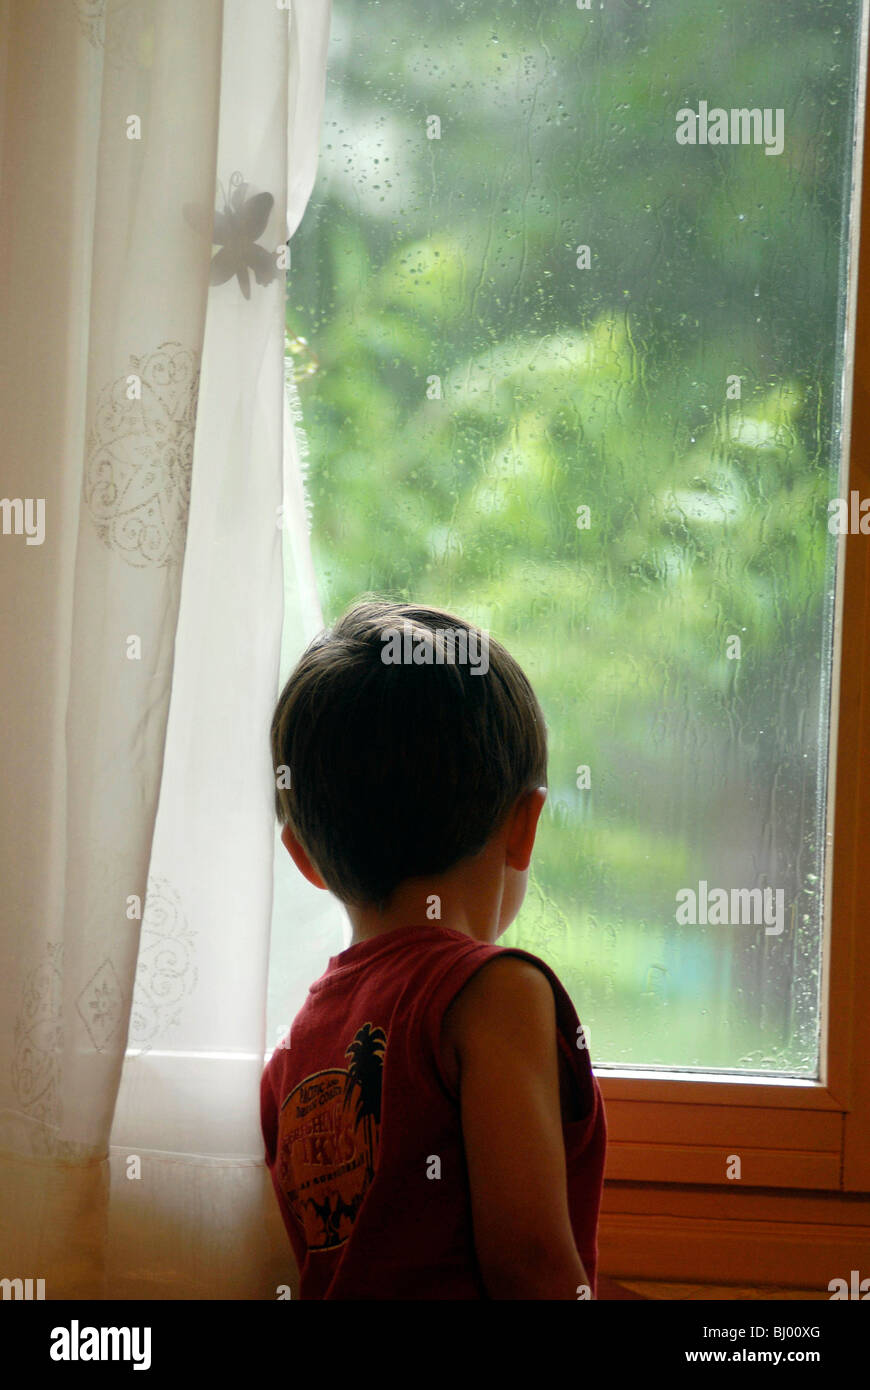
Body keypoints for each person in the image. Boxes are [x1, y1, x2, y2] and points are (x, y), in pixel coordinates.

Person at [261, 599, 606, 1299]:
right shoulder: (495, 994)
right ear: (525, 825)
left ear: (303, 857)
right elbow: (531, 1268)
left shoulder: (294, 1054)